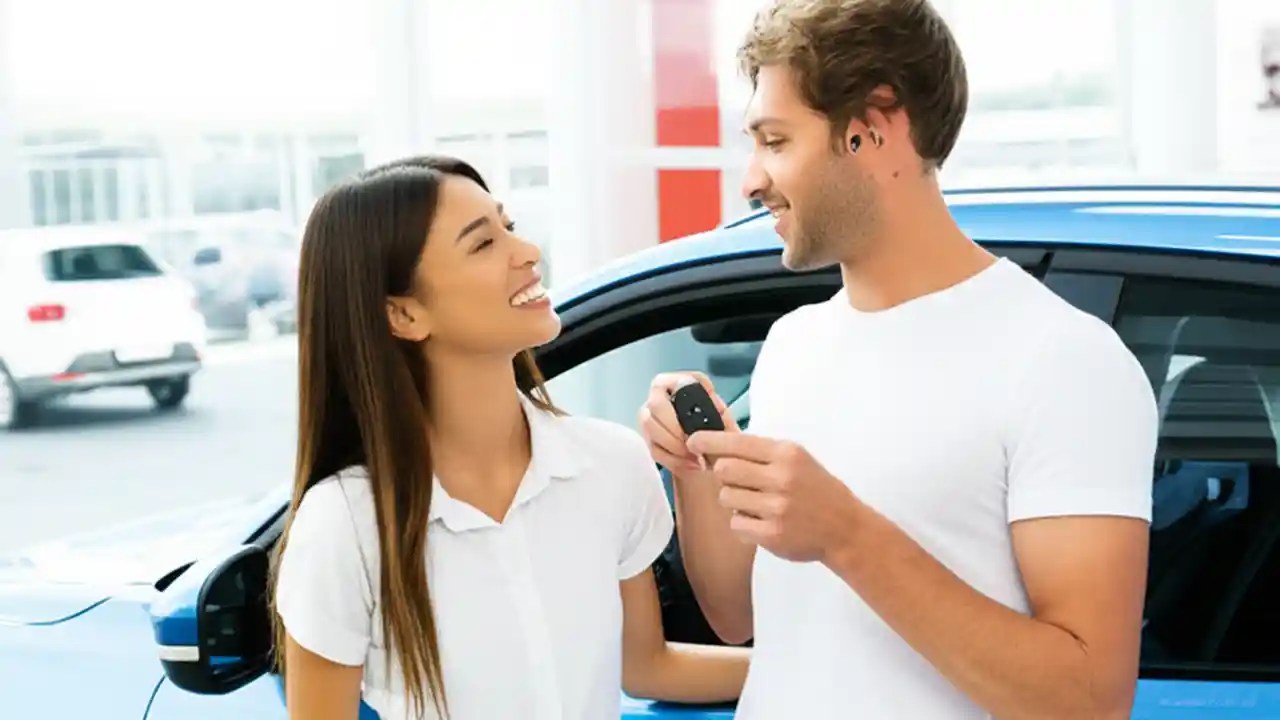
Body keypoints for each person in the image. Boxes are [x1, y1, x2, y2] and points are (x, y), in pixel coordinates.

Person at [638, 1, 1157, 718]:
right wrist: (693, 467)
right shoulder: (793, 344)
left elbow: (1087, 702)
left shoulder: (1063, 361)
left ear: (871, 130)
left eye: (776, 140)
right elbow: (739, 618)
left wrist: (847, 534)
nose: (751, 181)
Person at [271, 155, 749, 720]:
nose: (528, 253)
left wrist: (847, 670)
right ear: (402, 315)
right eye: (482, 244)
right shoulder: (344, 524)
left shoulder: (611, 464)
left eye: (509, 229)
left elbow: (647, 667)